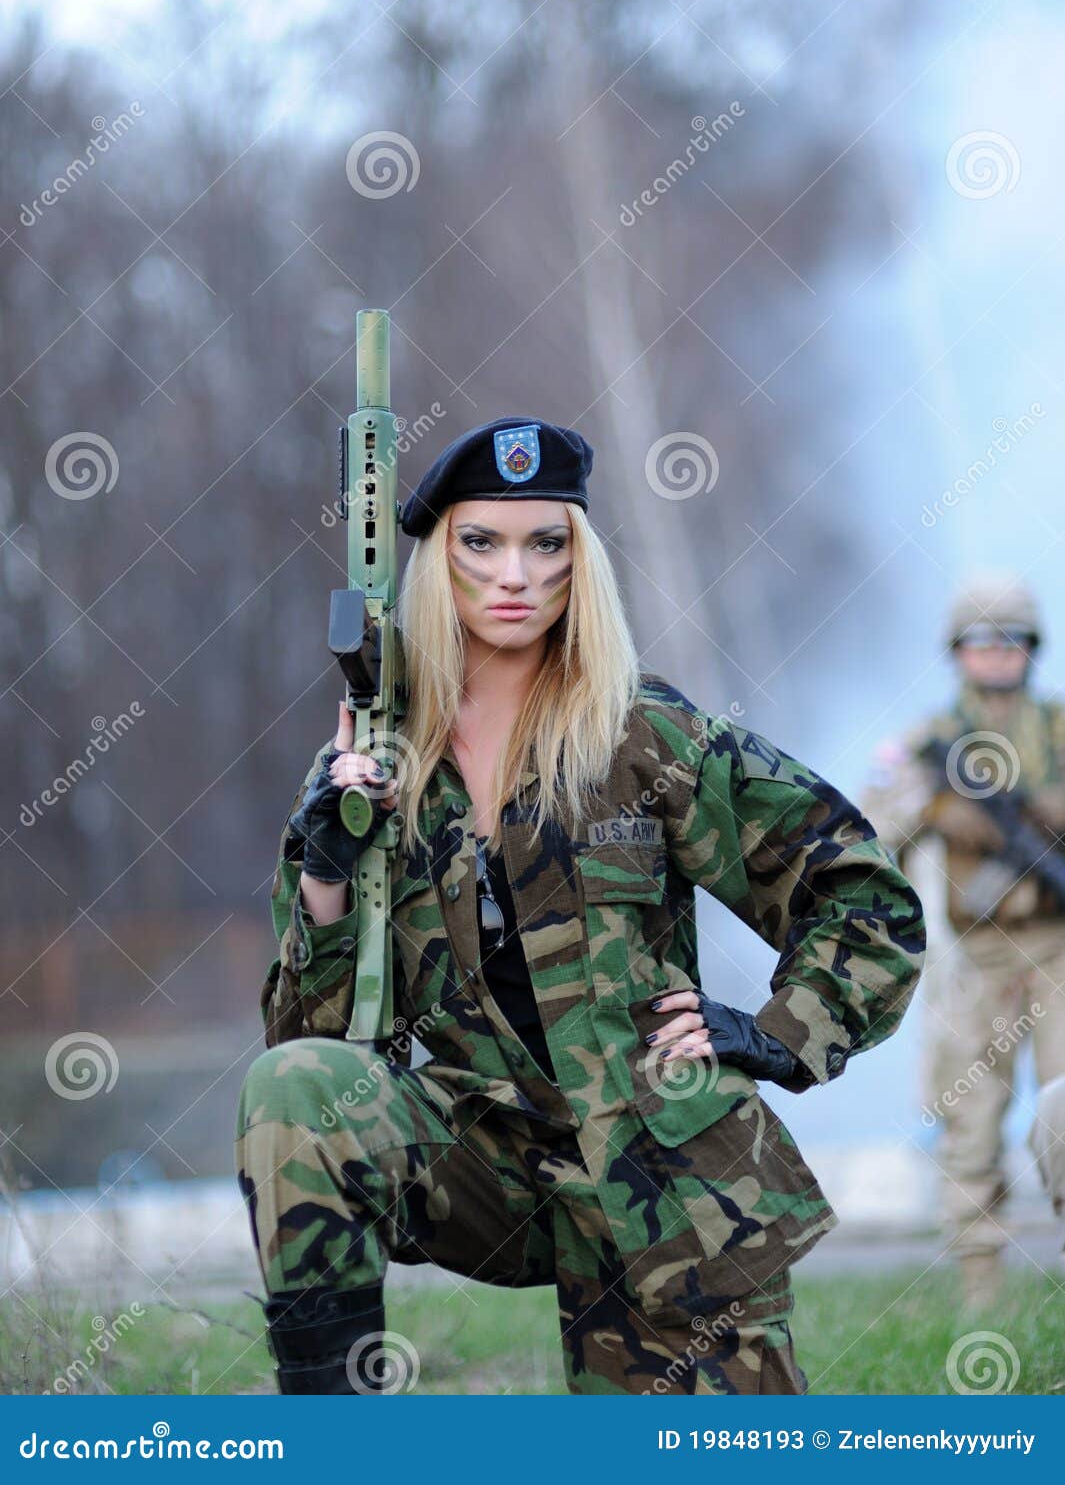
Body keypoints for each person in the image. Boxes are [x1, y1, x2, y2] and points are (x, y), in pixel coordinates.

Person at [237, 416, 924, 1395]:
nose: (514, 573)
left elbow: (860, 890)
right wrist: (329, 877)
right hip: (485, 1163)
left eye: (545, 542)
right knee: (293, 1086)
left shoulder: (640, 731)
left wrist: (776, 1032)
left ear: (578, 564)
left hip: (662, 1176)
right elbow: (306, 1055)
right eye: (482, 542)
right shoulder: (372, 766)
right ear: (437, 563)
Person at [860, 573, 1065, 1309]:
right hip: (973, 960)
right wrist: (931, 808)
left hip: (1055, 950)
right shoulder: (927, 743)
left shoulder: (1058, 731)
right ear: (958, 650)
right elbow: (866, 838)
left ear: (1031, 648)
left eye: (1011, 639)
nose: (997, 654)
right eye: (982, 640)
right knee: (968, 1128)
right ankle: (985, 1308)